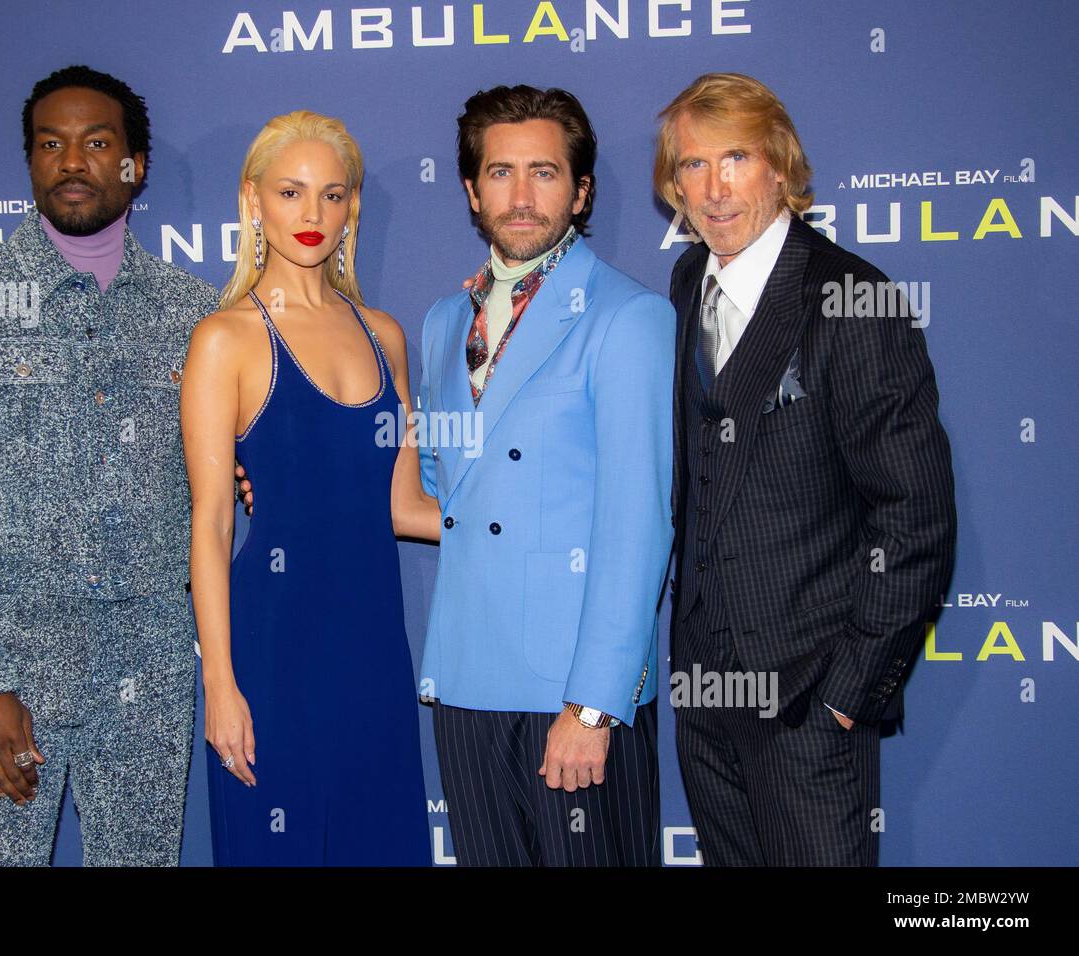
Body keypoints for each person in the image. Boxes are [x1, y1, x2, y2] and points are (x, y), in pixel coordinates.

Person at [0, 65, 220, 865]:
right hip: (7, 665)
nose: (73, 162)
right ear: (31, 162)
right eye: (51, 145)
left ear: (135, 164)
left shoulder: (198, 316)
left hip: (149, 669)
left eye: (98, 143)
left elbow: (225, 488)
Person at [655, 72, 957, 865]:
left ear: (781, 168)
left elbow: (915, 518)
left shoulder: (854, 301)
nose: (714, 190)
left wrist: (848, 698)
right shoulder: (688, 284)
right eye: (692, 165)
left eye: (736, 159)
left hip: (809, 707)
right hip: (706, 695)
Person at [415, 85, 675, 866]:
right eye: (500, 173)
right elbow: (443, 489)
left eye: (545, 173)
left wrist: (595, 705)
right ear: (470, 189)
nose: (521, 197)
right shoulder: (441, 323)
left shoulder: (627, 318)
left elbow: (639, 524)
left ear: (581, 189)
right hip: (467, 678)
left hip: (572, 687)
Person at [181, 110, 436, 865]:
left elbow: (407, 506)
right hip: (271, 650)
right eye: (291, 193)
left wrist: (531, 525)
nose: (313, 215)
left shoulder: (384, 334)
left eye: (332, 195)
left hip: (374, 651)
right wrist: (221, 686)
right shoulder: (223, 339)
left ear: (353, 206)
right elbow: (212, 526)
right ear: (253, 199)